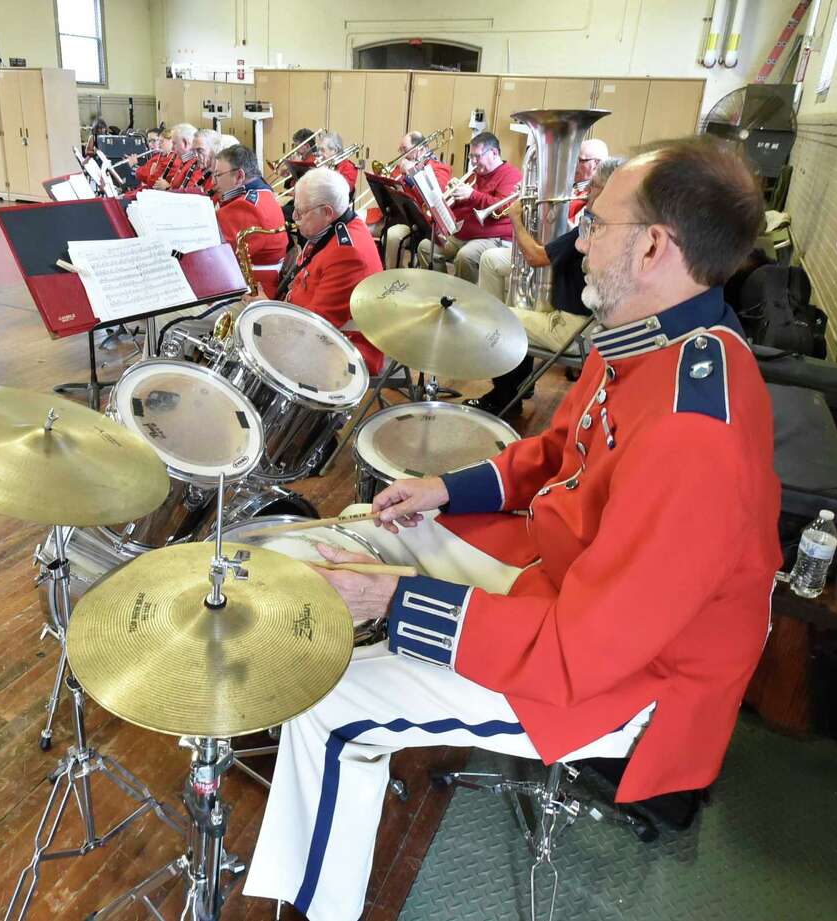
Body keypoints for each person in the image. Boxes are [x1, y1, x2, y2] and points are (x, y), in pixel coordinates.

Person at [242, 137, 781, 921]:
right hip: (561, 582)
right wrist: (443, 490)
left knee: (333, 709)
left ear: (656, 246)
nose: (579, 240)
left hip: (626, 679)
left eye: (594, 223)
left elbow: (583, 651)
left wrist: (396, 605)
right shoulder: (650, 332)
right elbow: (561, 452)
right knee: (358, 525)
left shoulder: (695, 434)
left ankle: (318, 909)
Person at [471, 156, 625, 417]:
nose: (587, 191)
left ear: (610, 189)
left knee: (502, 320)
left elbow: (536, 257)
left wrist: (516, 219)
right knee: (517, 301)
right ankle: (519, 384)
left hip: (574, 327)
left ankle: (503, 399)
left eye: (595, 186)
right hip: (581, 315)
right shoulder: (611, 223)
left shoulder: (594, 228)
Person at [270, 167, 384, 374]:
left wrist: (270, 317)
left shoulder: (347, 253)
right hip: (313, 327)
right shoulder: (335, 228)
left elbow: (318, 327)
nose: (294, 217)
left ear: (327, 212)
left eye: (301, 212)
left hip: (344, 348)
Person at [417, 131, 520, 282]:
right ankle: (439, 290)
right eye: (471, 157)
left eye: (477, 156)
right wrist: (454, 196)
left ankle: (465, 301)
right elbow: (467, 206)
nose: (473, 162)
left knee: (465, 257)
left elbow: (503, 208)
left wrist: (472, 194)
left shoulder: (510, 175)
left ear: (494, 153)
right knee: (426, 247)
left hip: (492, 237)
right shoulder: (476, 174)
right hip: (463, 233)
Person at [214, 144, 289, 297]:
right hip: (248, 282)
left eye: (218, 175)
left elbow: (218, 256)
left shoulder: (247, 206)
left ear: (240, 176)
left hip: (250, 291)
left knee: (171, 317)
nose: (214, 182)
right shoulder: (261, 194)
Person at [377, 131, 453, 269]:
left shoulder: (440, 168)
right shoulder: (404, 166)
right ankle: (392, 274)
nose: (401, 154)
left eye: (404, 149)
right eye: (400, 149)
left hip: (425, 221)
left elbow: (434, 198)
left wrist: (412, 175)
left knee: (393, 236)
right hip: (404, 216)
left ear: (421, 149)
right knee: (387, 235)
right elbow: (391, 184)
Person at [317, 131, 359, 197]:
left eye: (322, 150)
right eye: (319, 150)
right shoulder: (324, 164)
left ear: (335, 151)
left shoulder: (349, 167)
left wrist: (325, 173)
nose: (319, 153)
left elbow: (343, 191)